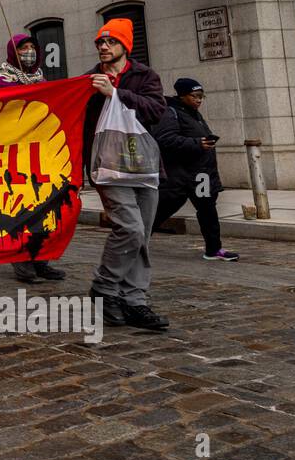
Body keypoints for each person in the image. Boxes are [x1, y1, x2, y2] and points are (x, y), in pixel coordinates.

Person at [84, 19, 169, 331]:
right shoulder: (89, 80)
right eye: (100, 42)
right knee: (130, 229)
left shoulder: (145, 76)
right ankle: (104, 289)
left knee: (141, 236)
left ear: (124, 46)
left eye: (110, 42)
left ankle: (134, 300)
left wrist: (117, 93)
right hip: (108, 168)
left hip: (143, 167)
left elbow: (156, 110)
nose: (104, 47)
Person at [0, 34, 66, 285]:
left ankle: (40, 258)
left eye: (33, 47)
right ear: (13, 52)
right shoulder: (0, 82)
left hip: (40, 154)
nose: (29, 51)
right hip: (14, 155)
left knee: (44, 209)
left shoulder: (41, 80)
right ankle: (21, 261)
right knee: (20, 209)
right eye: (23, 48)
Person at [152, 78, 238, 262]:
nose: (199, 100)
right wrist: (197, 143)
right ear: (183, 96)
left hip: (201, 175)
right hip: (180, 175)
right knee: (161, 210)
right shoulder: (171, 112)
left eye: (202, 96)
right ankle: (133, 244)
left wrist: (203, 143)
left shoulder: (194, 113)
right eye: (195, 96)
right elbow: (165, 139)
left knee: (208, 209)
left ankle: (214, 249)